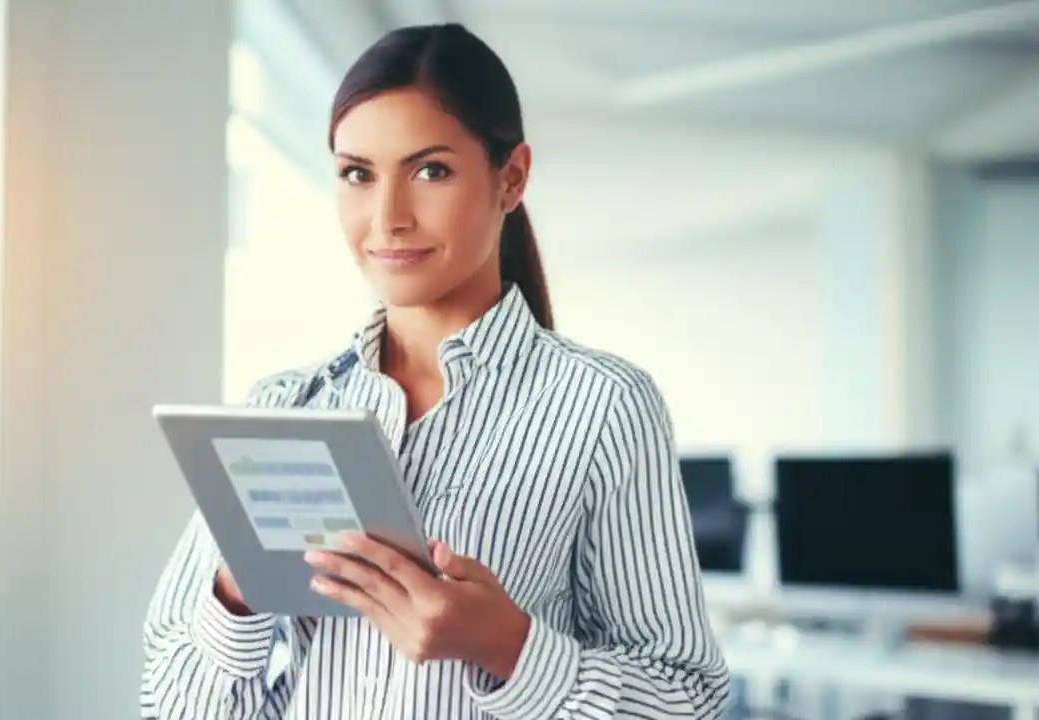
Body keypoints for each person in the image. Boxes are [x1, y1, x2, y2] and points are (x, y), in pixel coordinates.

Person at [140, 23, 730, 720]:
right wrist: (238, 594)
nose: (386, 218)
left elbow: (689, 698)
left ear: (510, 178)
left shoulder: (605, 406)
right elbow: (166, 702)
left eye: (430, 171)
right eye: (358, 174)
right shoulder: (286, 406)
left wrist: (509, 647)